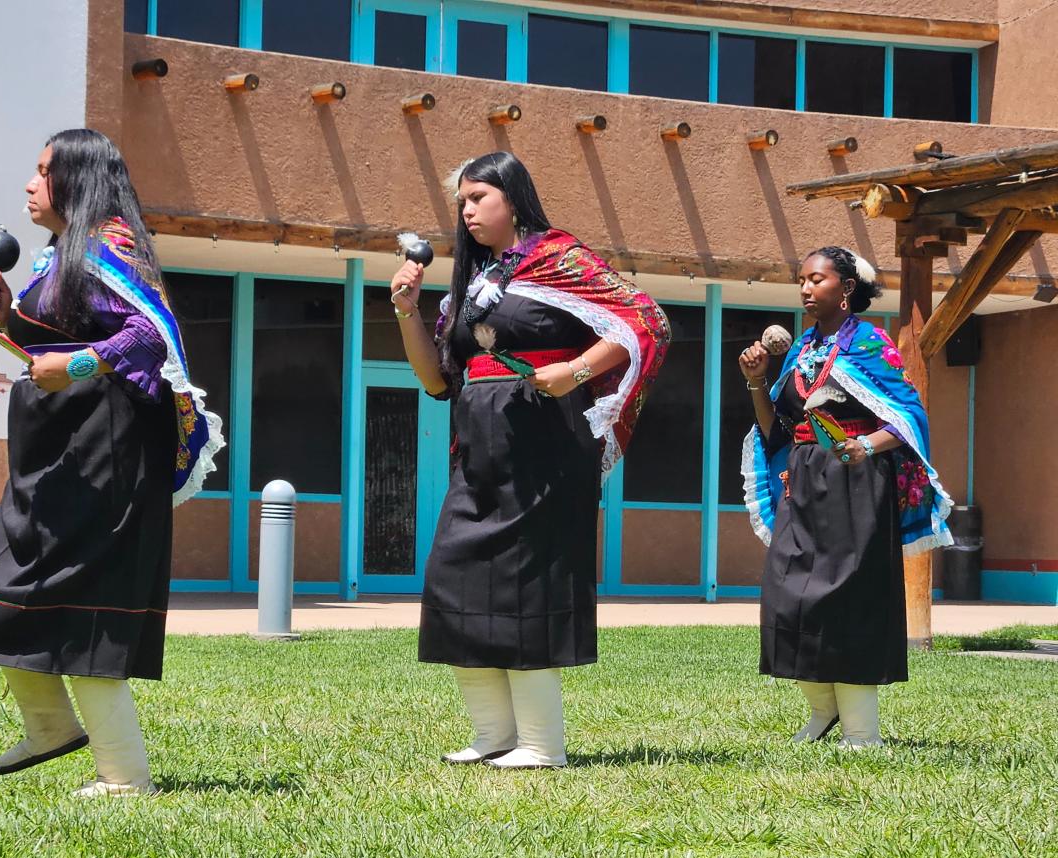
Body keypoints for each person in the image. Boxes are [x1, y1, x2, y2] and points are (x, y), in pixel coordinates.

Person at [0, 129, 223, 795]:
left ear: (79, 179)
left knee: (91, 610)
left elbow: (150, 336)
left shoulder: (109, 248)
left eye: (43, 172)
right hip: (59, 461)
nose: (29, 185)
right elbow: (57, 346)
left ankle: (125, 779)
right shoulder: (59, 257)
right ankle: (50, 727)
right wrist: (11, 316)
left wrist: (81, 363)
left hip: (106, 457)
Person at [390, 152, 670, 768]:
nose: (466, 210)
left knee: (527, 582)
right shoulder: (472, 282)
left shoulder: (561, 258)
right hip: (480, 447)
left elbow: (646, 320)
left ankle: (542, 744)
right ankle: (492, 736)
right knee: (454, 571)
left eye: (479, 197)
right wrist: (408, 310)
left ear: (513, 199)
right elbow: (437, 379)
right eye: (461, 201)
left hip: (547, 442)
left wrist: (575, 370)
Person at [739, 246, 951, 748]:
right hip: (804, 483)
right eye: (802, 280)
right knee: (787, 594)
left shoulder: (871, 343)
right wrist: (756, 382)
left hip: (858, 484)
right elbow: (778, 432)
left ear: (847, 287)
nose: (806, 288)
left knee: (851, 599)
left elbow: (908, 416)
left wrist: (866, 446)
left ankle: (861, 730)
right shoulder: (801, 350)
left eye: (817, 279)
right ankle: (823, 711)